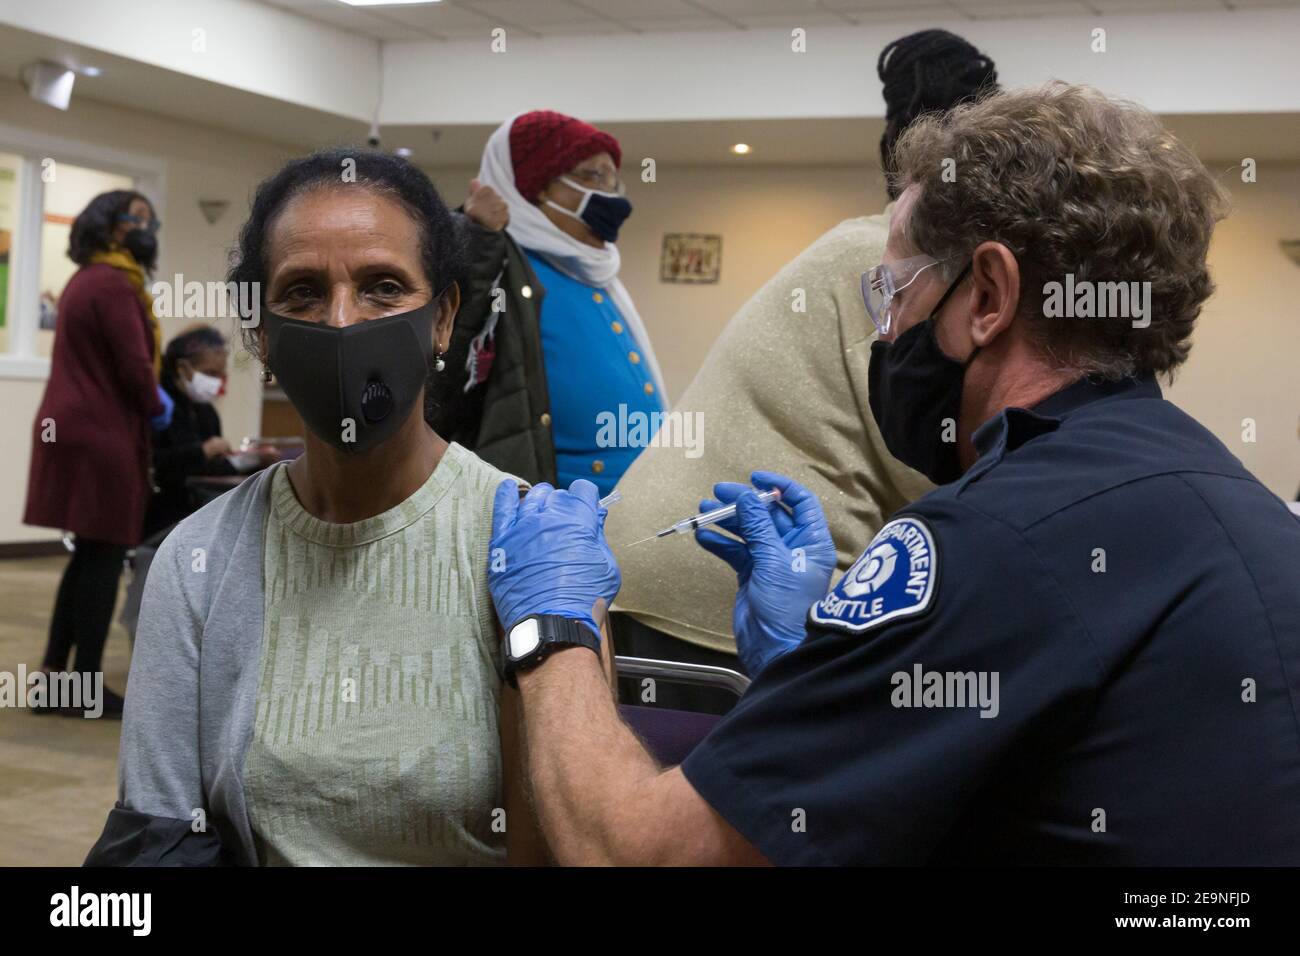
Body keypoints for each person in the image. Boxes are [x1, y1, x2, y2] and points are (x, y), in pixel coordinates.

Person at [484, 84, 1300, 864]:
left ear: (987, 295)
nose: (883, 331)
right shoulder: (1246, 508)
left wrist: (554, 627)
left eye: (895, 291)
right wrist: (814, 665)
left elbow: (640, 854)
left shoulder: (986, 542)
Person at [85, 149, 549, 866]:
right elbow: (159, 839)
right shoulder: (200, 558)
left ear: (444, 317)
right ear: (263, 336)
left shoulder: (524, 545)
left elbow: (555, 845)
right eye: (302, 292)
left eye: (382, 287)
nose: (340, 324)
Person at [605, 30, 996, 670]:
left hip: (654, 558)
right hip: (734, 583)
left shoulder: (858, 243)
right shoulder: (903, 265)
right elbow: (934, 462)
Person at [429, 110, 668, 497]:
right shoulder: (502, 265)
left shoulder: (595, 272)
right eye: (593, 176)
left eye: (613, 179)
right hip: (553, 513)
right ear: (538, 187)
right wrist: (476, 240)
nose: (609, 193)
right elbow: (447, 371)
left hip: (632, 506)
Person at [23, 190, 171, 718]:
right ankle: (82, 688)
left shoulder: (86, 279)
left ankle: (51, 680)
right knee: (104, 559)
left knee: (87, 559)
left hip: (77, 427)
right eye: (136, 219)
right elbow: (134, 366)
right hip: (100, 434)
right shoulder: (114, 284)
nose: (145, 228)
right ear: (109, 228)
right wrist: (158, 403)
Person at [143, 325, 255, 539]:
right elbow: (154, 465)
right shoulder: (160, 406)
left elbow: (213, 467)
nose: (216, 382)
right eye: (210, 373)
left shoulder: (206, 411)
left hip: (198, 508)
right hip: (162, 513)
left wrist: (250, 461)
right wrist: (203, 450)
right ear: (182, 368)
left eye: (220, 375)